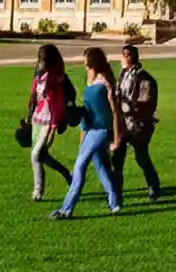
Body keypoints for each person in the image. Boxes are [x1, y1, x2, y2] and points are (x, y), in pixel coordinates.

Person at [51, 47, 123, 219]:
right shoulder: (89, 81)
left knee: (79, 166)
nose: (83, 62)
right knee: (101, 166)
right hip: (90, 129)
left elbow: (115, 111)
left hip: (101, 130)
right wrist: (82, 131)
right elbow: (88, 109)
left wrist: (116, 135)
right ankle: (115, 203)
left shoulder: (104, 82)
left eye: (85, 58)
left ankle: (66, 209)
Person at [112, 44, 162, 202]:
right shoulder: (123, 75)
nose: (123, 59)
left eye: (126, 56)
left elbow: (145, 103)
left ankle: (153, 185)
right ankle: (116, 193)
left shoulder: (144, 78)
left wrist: (128, 108)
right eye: (123, 55)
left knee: (141, 157)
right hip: (122, 123)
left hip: (138, 125)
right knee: (117, 158)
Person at [26, 43, 74, 200]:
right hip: (37, 118)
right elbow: (34, 95)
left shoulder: (58, 78)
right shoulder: (38, 72)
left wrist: (55, 125)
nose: (41, 61)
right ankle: (67, 173)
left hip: (50, 120)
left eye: (43, 58)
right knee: (42, 156)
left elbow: (60, 100)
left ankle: (37, 191)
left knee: (35, 154)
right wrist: (29, 114)